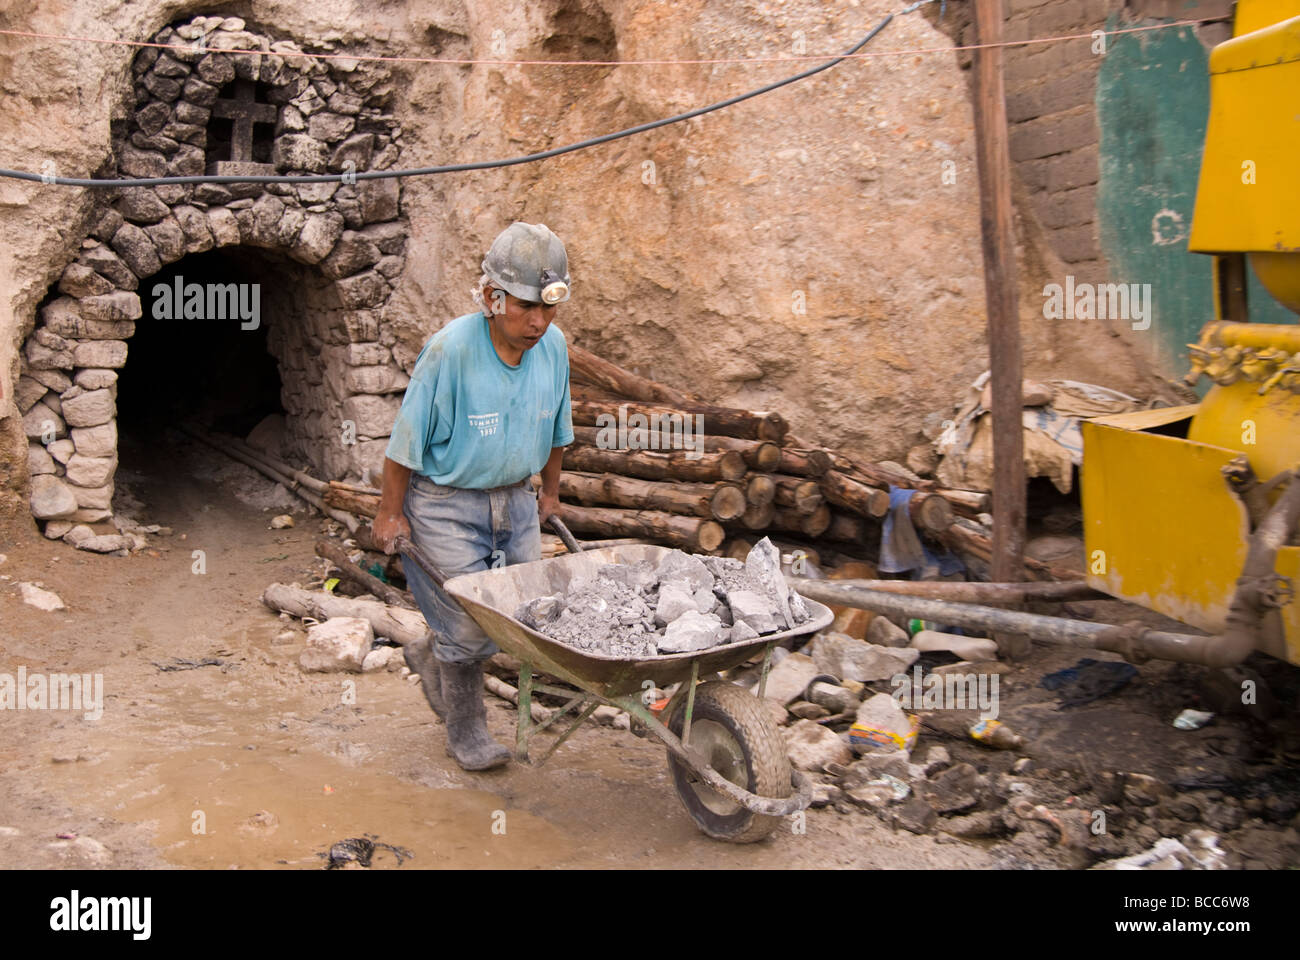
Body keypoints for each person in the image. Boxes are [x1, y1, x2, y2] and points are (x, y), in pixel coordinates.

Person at [371, 222, 574, 771]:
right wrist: (390, 514)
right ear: (492, 296)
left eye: (548, 309)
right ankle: (467, 733)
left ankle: (428, 653)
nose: (537, 322)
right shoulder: (451, 351)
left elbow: (556, 429)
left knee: (517, 615)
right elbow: (404, 443)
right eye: (525, 306)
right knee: (465, 623)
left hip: (515, 500)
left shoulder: (552, 348)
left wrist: (549, 495)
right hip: (445, 504)